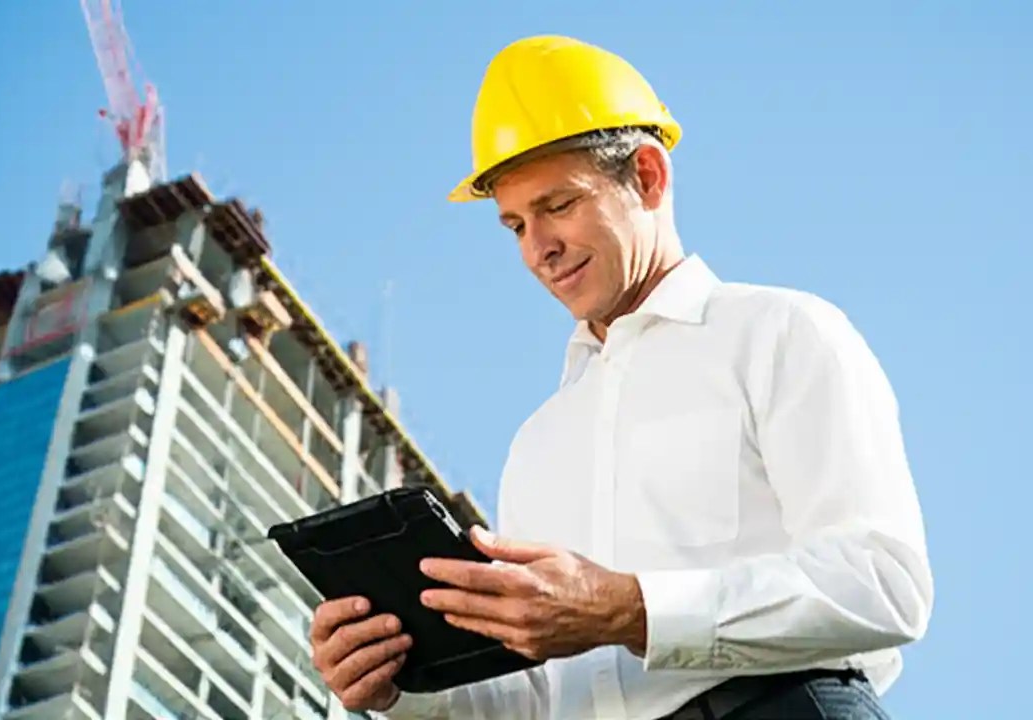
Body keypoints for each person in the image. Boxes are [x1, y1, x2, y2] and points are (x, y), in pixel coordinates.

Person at [309, 35, 933, 720]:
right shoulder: (537, 445)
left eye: (557, 206)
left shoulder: (779, 332)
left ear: (648, 176)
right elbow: (532, 701)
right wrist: (398, 687)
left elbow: (883, 584)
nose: (536, 250)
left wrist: (627, 608)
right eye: (514, 224)